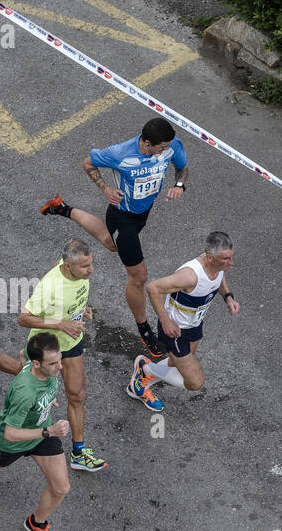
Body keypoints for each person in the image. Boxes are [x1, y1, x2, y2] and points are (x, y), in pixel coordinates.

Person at [40, 117, 188, 357]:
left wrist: (179, 185)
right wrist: (106, 189)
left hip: (143, 213)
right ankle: (144, 330)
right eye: (161, 148)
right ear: (147, 143)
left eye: (167, 147)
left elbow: (182, 168)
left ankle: (62, 208)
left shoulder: (171, 146)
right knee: (138, 276)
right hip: (122, 217)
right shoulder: (120, 153)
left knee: (111, 244)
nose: (165, 151)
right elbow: (88, 162)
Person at [0, 239, 105, 472]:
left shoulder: (69, 266)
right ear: (68, 266)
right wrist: (60, 323)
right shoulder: (49, 287)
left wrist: (82, 310)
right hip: (46, 345)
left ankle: (79, 452)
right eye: (85, 266)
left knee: (77, 394)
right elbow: (23, 318)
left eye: (91, 263)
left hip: (71, 340)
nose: (91, 270)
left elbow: (68, 283)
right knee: (21, 372)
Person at [130, 231, 241, 413]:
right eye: (225, 259)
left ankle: (144, 377)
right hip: (175, 331)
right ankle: (145, 370)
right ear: (209, 257)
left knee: (176, 363)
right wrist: (165, 321)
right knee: (195, 382)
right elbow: (153, 288)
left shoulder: (217, 266)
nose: (231, 262)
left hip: (194, 325)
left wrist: (228, 297)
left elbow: (219, 276)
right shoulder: (189, 276)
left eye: (231, 257)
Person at [0, 334, 71, 531]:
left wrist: (48, 399)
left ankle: (37, 523)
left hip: (41, 435)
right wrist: (49, 431)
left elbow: (22, 353)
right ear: (36, 364)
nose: (60, 367)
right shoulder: (25, 393)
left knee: (61, 487)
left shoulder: (37, 359)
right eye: (53, 364)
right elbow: (10, 433)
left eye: (60, 360)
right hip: (11, 444)